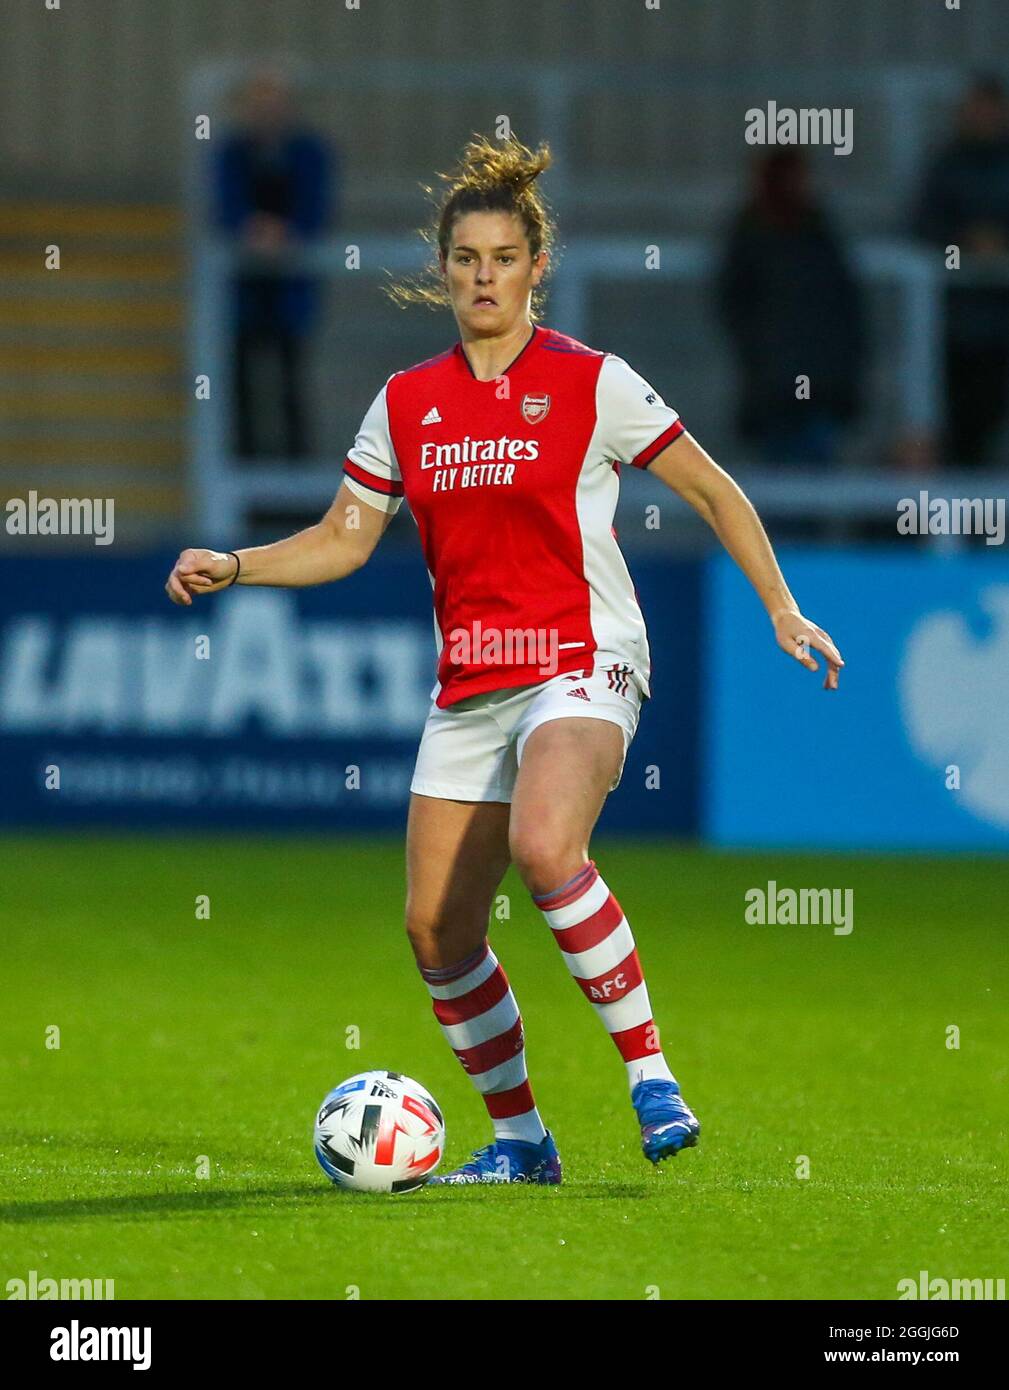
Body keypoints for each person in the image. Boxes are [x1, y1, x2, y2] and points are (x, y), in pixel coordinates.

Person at [167, 135, 843, 1185]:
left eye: (503, 256)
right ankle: (524, 1143)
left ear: (537, 267)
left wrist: (781, 606)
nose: (484, 275)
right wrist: (237, 563)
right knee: (436, 929)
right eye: (466, 257)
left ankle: (650, 1076)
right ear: (443, 270)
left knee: (544, 846)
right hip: (473, 682)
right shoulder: (406, 402)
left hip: (583, 656)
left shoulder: (591, 383)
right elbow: (345, 536)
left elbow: (713, 488)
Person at [214, 68, 337, 458]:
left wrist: (286, 234)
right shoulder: (232, 153)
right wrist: (251, 229)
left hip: (290, 289)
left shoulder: (310, 152)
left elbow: (316, 209)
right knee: (242, 388)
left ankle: (293, 479)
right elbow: (224, 206)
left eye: (274, 103)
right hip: (242, 291)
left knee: (290, 384)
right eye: (259, 104)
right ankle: (244, 474)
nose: (267, 112)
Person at [718, 148, 863, 466]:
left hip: (818, 386)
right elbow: (733, 305)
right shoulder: (753, 234)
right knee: (787, 481)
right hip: (778, 390)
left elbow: (845, 306)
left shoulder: (818, 232)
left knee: (811, 481)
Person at [914, 75, 1009, 467]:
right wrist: (964, 245)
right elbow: (921, 228)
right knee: (963, 437)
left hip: (1002, 326)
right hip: (957, 330)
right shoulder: (945, 166)